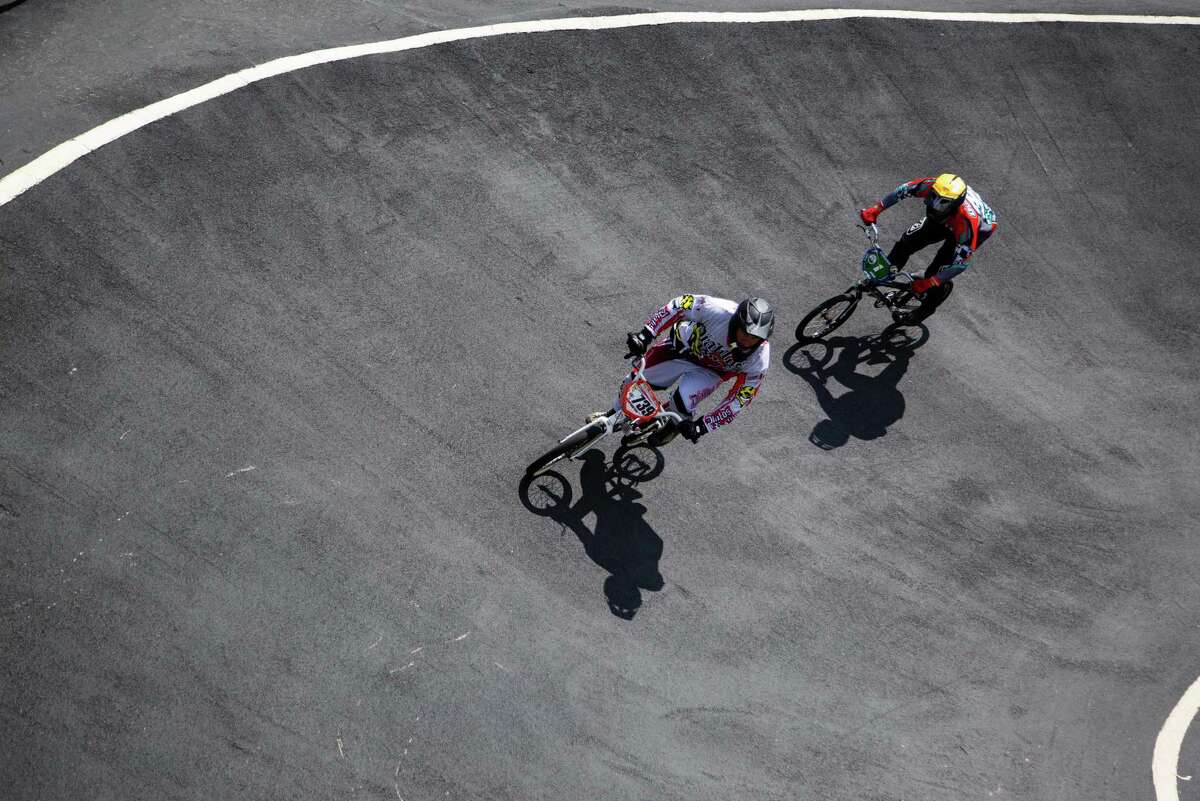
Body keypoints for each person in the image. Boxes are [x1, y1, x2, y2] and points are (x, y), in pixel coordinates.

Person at [602, 294, 773, 445]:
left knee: (682, 402)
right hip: (681, 348)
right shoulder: (718, 310)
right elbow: (680, 304)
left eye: (754, 338)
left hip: (710, 373)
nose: (747, 340)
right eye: (744, 332)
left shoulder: (759, 360)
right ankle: (610, 415)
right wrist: (646, 334)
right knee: (633, 381)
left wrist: (702, 426)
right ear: (736, 322)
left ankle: (674, 424)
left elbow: (739, 400)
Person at [859, 173, 997, 324]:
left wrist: (930, 282)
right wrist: (876, 209)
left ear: (954, 204)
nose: (934, 206)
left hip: (975, 227)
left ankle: (927, 308)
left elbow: (960, 264)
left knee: (935, 272)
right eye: (933, 197)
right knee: (905, 243)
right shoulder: (933, 185)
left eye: (941, 204)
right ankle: (888, 270)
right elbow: (902, 190)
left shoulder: (967, 228)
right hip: (942, 219)